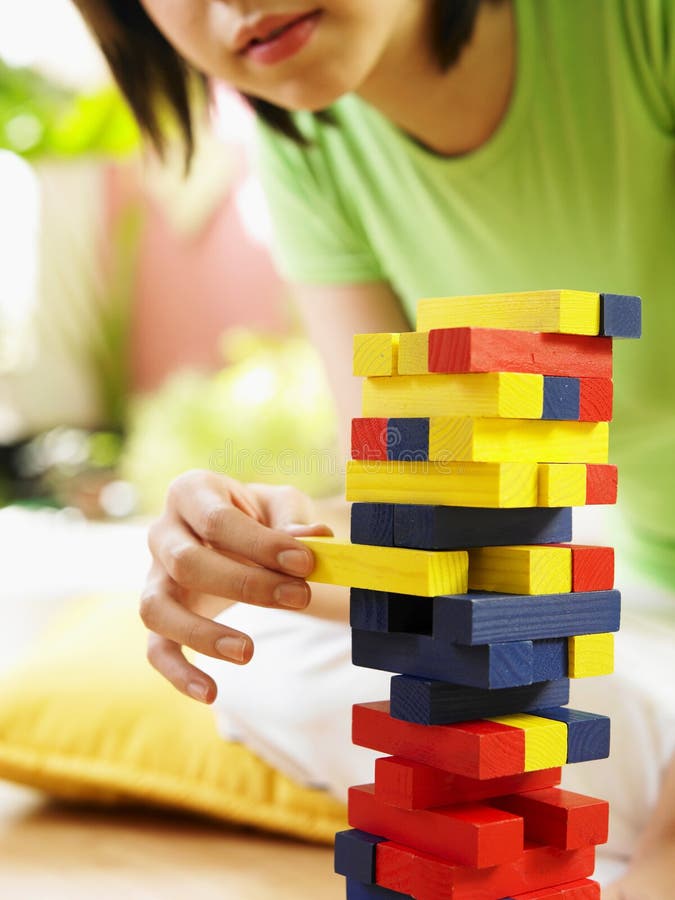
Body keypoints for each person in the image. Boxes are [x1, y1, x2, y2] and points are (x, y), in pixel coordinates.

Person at [72, 1, 675, 895]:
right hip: (632, 612)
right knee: (262, 658)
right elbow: (437, 539)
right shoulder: (308, 147)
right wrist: (268, 552)